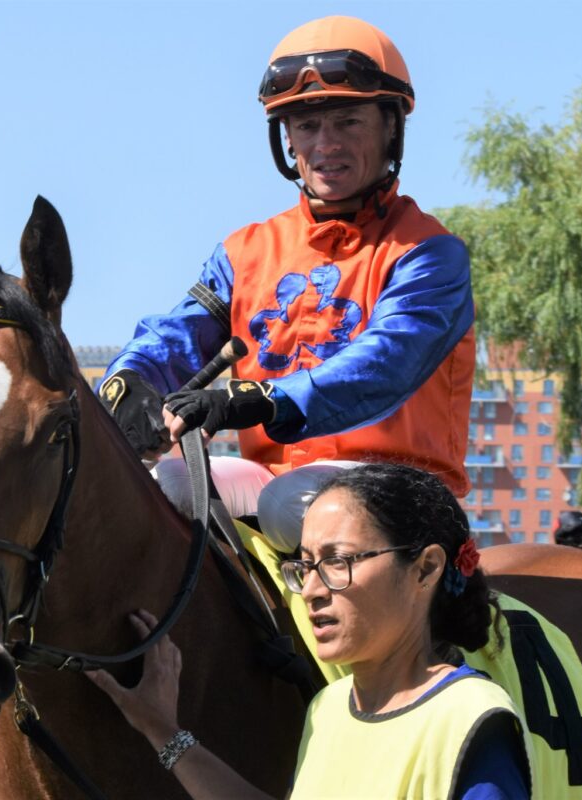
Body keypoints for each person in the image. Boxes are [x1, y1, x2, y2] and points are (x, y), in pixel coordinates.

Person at [100, 16, 476, 552]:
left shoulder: (430, 255)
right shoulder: (243, 251)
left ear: (391, 127)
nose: (325, 145)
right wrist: (130, 383)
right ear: (286, 138)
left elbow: (385, 364)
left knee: (292, 504)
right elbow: (173, 339)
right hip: (277, 484)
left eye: (347, 122)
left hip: (404, 493)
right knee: (165, 485)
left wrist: (254, 399)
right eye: (306, 127)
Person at [88, 464, 532, 799]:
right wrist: (161, 729)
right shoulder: (330, 705)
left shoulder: (470, 716)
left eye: (338, 561)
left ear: (427, 568)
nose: (312, 590)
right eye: (304, 566)